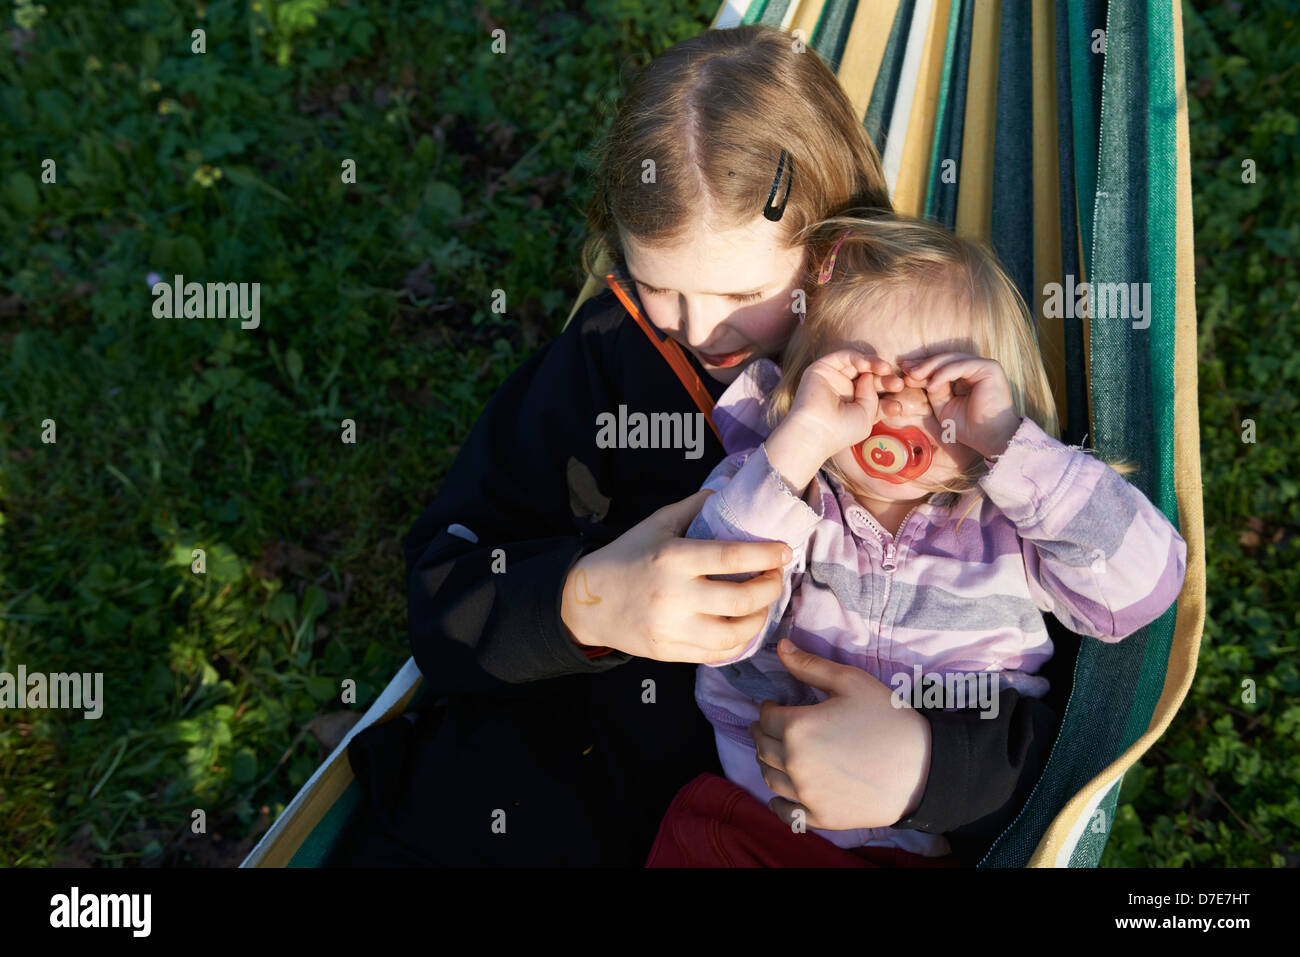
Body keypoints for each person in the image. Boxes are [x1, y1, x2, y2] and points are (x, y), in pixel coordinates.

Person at [330, 25, 1064, 867]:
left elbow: (1066, 692)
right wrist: (587, 601)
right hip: (552, 796)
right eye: (657, 283)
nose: (698, 327)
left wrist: (929, 768)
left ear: (830, 252)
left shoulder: (932, 383)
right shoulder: (611, 356)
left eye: (745, 291)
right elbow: (443, 596)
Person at [645, 213, 1187, 866]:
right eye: (864, 382)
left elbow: (1144, 586)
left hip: (934, 841)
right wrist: (800, 444)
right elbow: (707, 601)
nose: (901, 410)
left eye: (944, 390)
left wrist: (1015, 449)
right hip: (754, 824)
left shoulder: (1015, 527)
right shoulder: (777, 492)